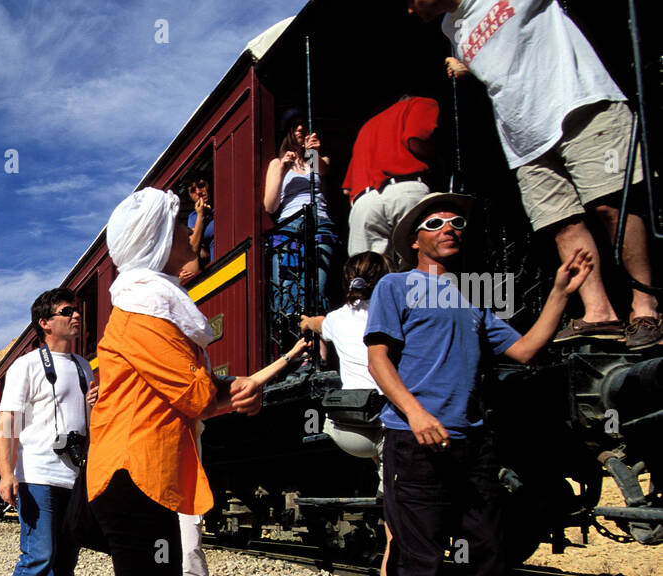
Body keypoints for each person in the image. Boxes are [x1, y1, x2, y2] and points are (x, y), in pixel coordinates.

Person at [11, 188, 263, 576]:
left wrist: (227, 394)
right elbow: (195, 393)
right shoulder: (145, 311)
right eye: (183, 231)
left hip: (147, 477)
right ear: (157, 241)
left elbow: (192, 393)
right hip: (132, 479)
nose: (193, 241)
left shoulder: (149, 305)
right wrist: (231, 392)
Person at [364, 191, 592, 576]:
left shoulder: (470, 301)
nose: (450, 227)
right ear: (415, 239)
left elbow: (525, 351)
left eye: (458, 221)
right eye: (437, 221)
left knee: (486, 554)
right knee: (417, 563)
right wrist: (416, 413)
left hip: (472, 445)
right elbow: (379, 360)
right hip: (413, 442)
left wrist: (559, 293)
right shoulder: (394, 286)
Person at [410, 0, 659, 347]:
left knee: (610, 206)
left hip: (577, 104)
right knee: (563, 224)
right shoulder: (451, 27)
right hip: (525, 142)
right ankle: (599, 313)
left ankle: (646, 307)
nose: (409, 10)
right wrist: (467, 67)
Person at [179, 336, 308, 576]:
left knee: (190, 548)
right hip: (146, 470)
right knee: (147, 557)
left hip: (185, 474)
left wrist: (289, 356)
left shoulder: (200, 363)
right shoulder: (155, 352)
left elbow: (241, 386)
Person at [0, 289, 99, 576]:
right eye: (67, 311)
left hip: (74, 479)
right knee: (39, 555)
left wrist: (93, 409)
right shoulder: (26, 366)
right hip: (37, 474)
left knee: (64, 568)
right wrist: (6, 474)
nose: (76, 316)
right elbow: (6, 424)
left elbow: (87, 426)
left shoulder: (85, 368)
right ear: (44, 322)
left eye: (76, 310)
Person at [302, 252, 394, 576]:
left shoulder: (336, 319)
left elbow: (314, 324)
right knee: (399, 530)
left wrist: (305, 325)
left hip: (344, 427)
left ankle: (381, 474)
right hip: (384, 418)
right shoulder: (395, 311)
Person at [342, 95, 438, 259]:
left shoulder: (368, 126)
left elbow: (346, 189)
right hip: (405, 189)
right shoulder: (419, 103)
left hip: (365, 202)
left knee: (368, 272)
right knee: (417, 268)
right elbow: (414, 139)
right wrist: (438, 160)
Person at [263, 111, 339, 318]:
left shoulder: (318, 160)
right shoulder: (277, 163)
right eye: (294, 125)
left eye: (303, 125)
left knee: (317, 286)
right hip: (289, 226)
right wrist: (282, 170)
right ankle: (294, 342)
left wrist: (313, 152)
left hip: (319, 222)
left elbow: (322, 171)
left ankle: (316, 343)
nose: (299, 128)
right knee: (288, 288)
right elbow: (270, 206)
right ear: (287, 131)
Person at [184, 175, 214, 281]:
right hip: (214, 268)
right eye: (193, 190)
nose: (198, 192)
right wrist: (201, 215)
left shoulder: (221, 203)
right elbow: (193, 248)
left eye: (201, 186)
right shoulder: (193, 217)